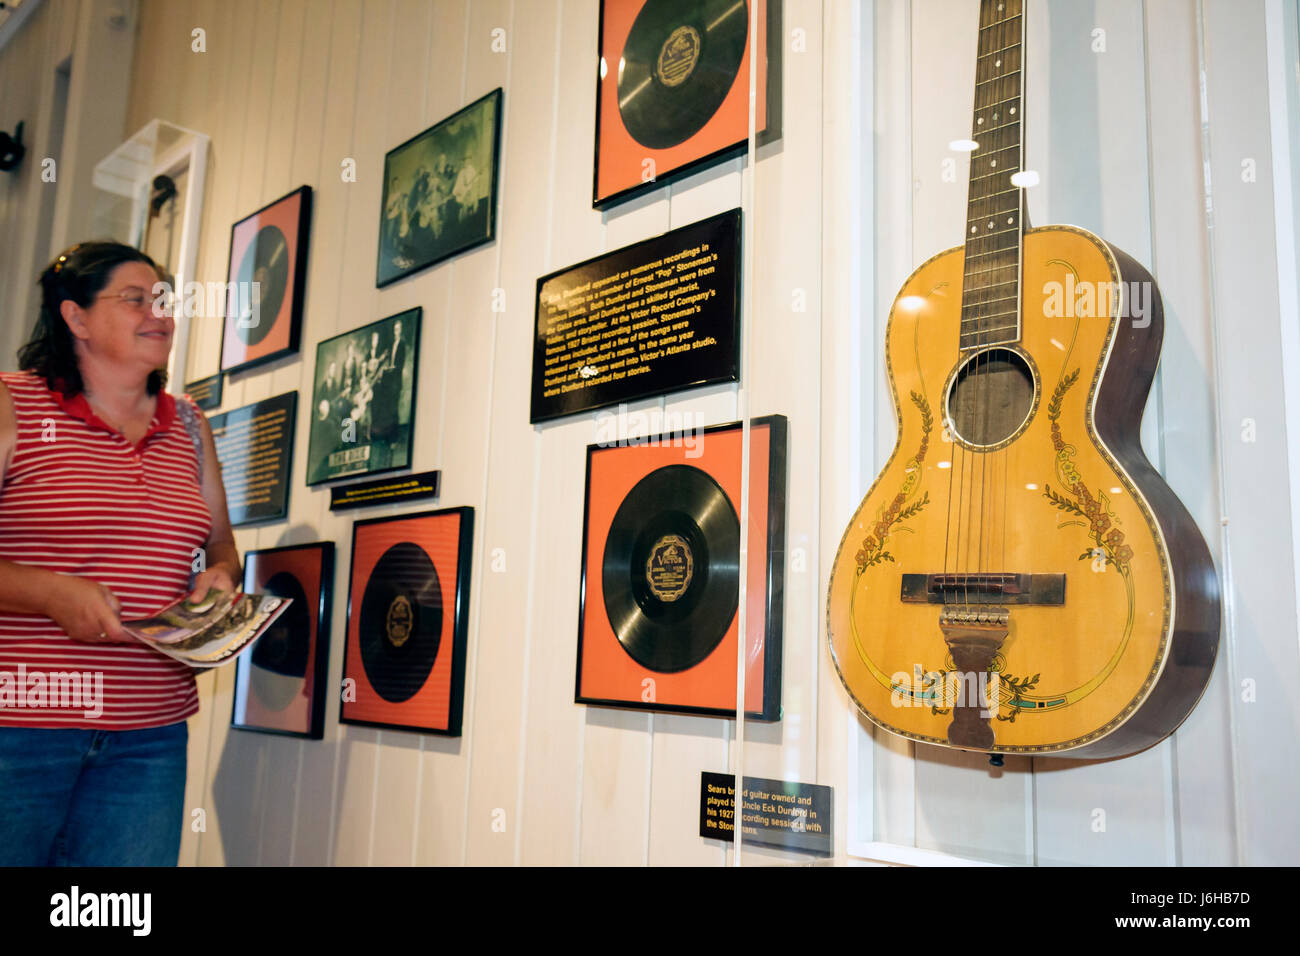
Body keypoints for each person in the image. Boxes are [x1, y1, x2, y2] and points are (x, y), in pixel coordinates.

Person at [0, 241, 240, 866]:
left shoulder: (189, 422)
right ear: (75, 318)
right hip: (18, 726)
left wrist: (219, 581)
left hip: (149, 738)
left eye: (165, 300)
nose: (159, 313)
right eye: (136, 299)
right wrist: (51, 594)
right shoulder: (10, 404)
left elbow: (221, 548)